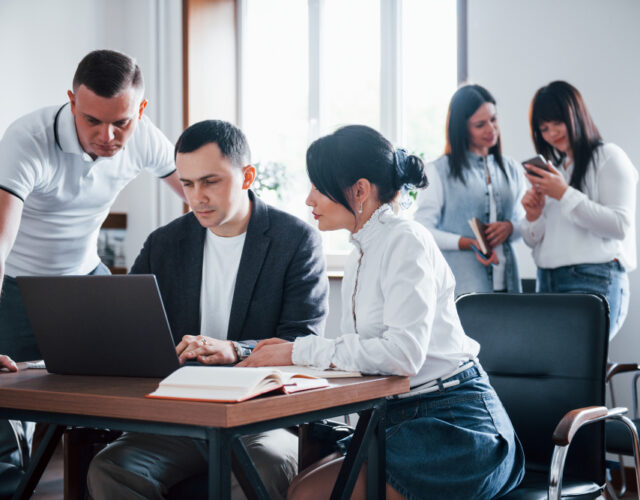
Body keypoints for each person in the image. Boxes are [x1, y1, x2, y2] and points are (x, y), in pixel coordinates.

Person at [239, 125, 525, 499]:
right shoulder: (361, 249)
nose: (309, 199)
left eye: (317, 186)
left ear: (359, 190)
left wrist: (299, 351)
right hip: (398, 419)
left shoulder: (406, 241)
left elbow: (402, 355)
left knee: (308, 495)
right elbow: (364, 351)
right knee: (301, 485)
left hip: (454, 423)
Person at [87, 120, 329, 500]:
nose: (196, 196)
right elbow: (126, 326)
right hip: (181, 415)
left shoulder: (295, 240)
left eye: (210, 181)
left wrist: (236, 349)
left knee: (267, 465)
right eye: (187, 183)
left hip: (262, 419)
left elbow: (303, 339)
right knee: (112, 467)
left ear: (247, 176)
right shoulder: (164, 243)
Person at [0, 48, 186, 476]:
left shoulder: (144, 138)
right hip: (16, 284)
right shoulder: (28, 138)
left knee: (121, 393)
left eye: (121, 122)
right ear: (71, 100)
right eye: (92, 120)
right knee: (5, 418)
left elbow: (202, 200)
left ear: (140, 109)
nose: (107, 136)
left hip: (85, 279)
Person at [521, 81, 637, 338]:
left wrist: (564, 193)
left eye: (556, 122)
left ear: (575, 113)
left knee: (577, 369)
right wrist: (533, 215)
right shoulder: (557, 170)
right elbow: (533, 240)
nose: (552, 133)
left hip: (591, 278)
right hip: (547, 281)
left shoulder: (608, 156)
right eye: (544, 128)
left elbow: (620, 225)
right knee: (558, 371)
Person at [414, 84, 526, 296]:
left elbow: (526, 225)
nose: (491, 129)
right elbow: (423, 230)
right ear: (462, 128)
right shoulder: (438, 172)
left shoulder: (512, 169)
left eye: (493, 119)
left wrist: (511, 228)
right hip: (462, 287)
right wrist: (467, 243)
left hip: (508, 285)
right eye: (480, 124)